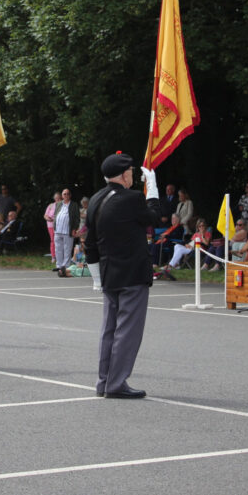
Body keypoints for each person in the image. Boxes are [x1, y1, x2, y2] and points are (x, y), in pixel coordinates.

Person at [85, 152, 161, 399]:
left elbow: (90, 243)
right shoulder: (132, 198)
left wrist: (96, 277)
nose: (132, 176)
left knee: (109, 329)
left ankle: (104, 380)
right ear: (124, 174)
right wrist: (153, 188)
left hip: (109, 273)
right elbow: (153, 217)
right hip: (132, 274)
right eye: (130, 172)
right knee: (127, 331)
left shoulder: (96, 199)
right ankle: (116, 383)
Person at [54, 188, 80, 277]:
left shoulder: (74, 205)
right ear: (62, 196)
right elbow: (55, 215)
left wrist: (74, 228)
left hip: (67, 230)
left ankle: (66, 266)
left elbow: (77, 218)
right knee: (58, 249)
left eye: (67, 194)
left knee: (67, 249)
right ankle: (59, 266)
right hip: (58, 230)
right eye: (64, 194)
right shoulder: (58, 204)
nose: (66, 195)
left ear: (70, 195)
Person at [43, 191, 59, 263]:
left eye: (59, 198)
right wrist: (48, 218)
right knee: (53, 240)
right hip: (51, 225)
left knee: (59, 240)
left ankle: (59, 256)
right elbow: (45, 215)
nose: (57, 200)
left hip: (59, 225)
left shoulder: (63, 205)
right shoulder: (51, 205)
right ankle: (53, 256)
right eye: (56, 198)